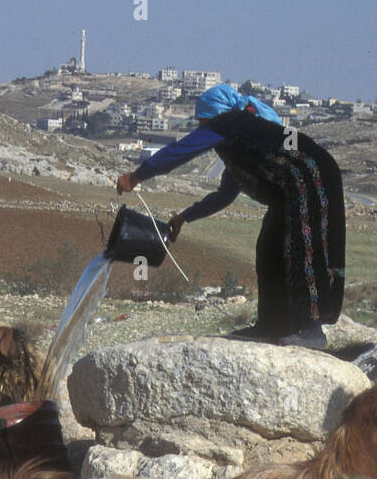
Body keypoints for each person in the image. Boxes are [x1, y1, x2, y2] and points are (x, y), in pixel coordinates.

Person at [117, 83, 345, 345]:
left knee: (303, 249)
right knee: (268, 249)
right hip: (291, 193)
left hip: (312, 181)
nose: (201, 127)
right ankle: (272, 325)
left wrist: (135, 176)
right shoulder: (242, 145)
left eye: (202, 121)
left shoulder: (227, 123)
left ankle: (311, 329)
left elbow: (179, 151)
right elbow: (225, 195)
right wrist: (183, 217)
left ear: (212, 116)